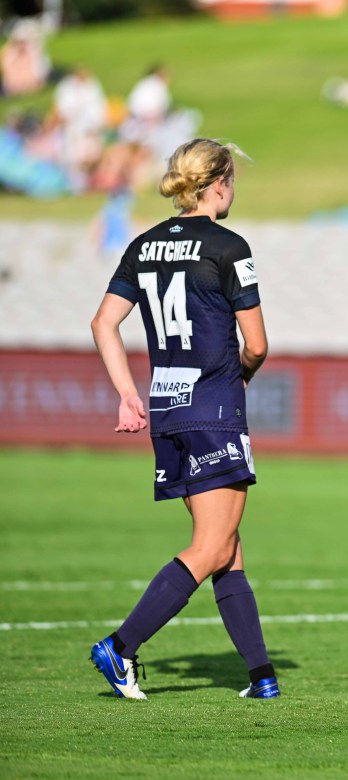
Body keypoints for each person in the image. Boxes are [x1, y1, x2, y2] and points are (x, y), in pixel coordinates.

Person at [88, 138, 278, 700]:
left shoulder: (143, 244)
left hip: (167, 408)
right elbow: (259, 344)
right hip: (213, 408)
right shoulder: (228, 245)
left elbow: (103, 323)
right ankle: (120, 647)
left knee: (226, 542)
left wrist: (128, 395)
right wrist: (239, 375)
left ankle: (261, 676)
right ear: (217, 183)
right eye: (232, 180)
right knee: (213, 545)